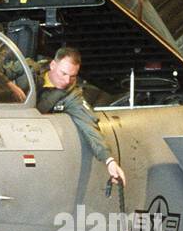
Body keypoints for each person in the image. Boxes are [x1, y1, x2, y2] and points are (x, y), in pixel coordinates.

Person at [11, 47, 125, 187]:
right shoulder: (27, 68)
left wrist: (109, 160)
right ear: (53, 65)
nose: (66, 81)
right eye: (63, 73)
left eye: (72, 76)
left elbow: (89, 126)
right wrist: (8, 84)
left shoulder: (73, 96)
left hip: (27, 140)